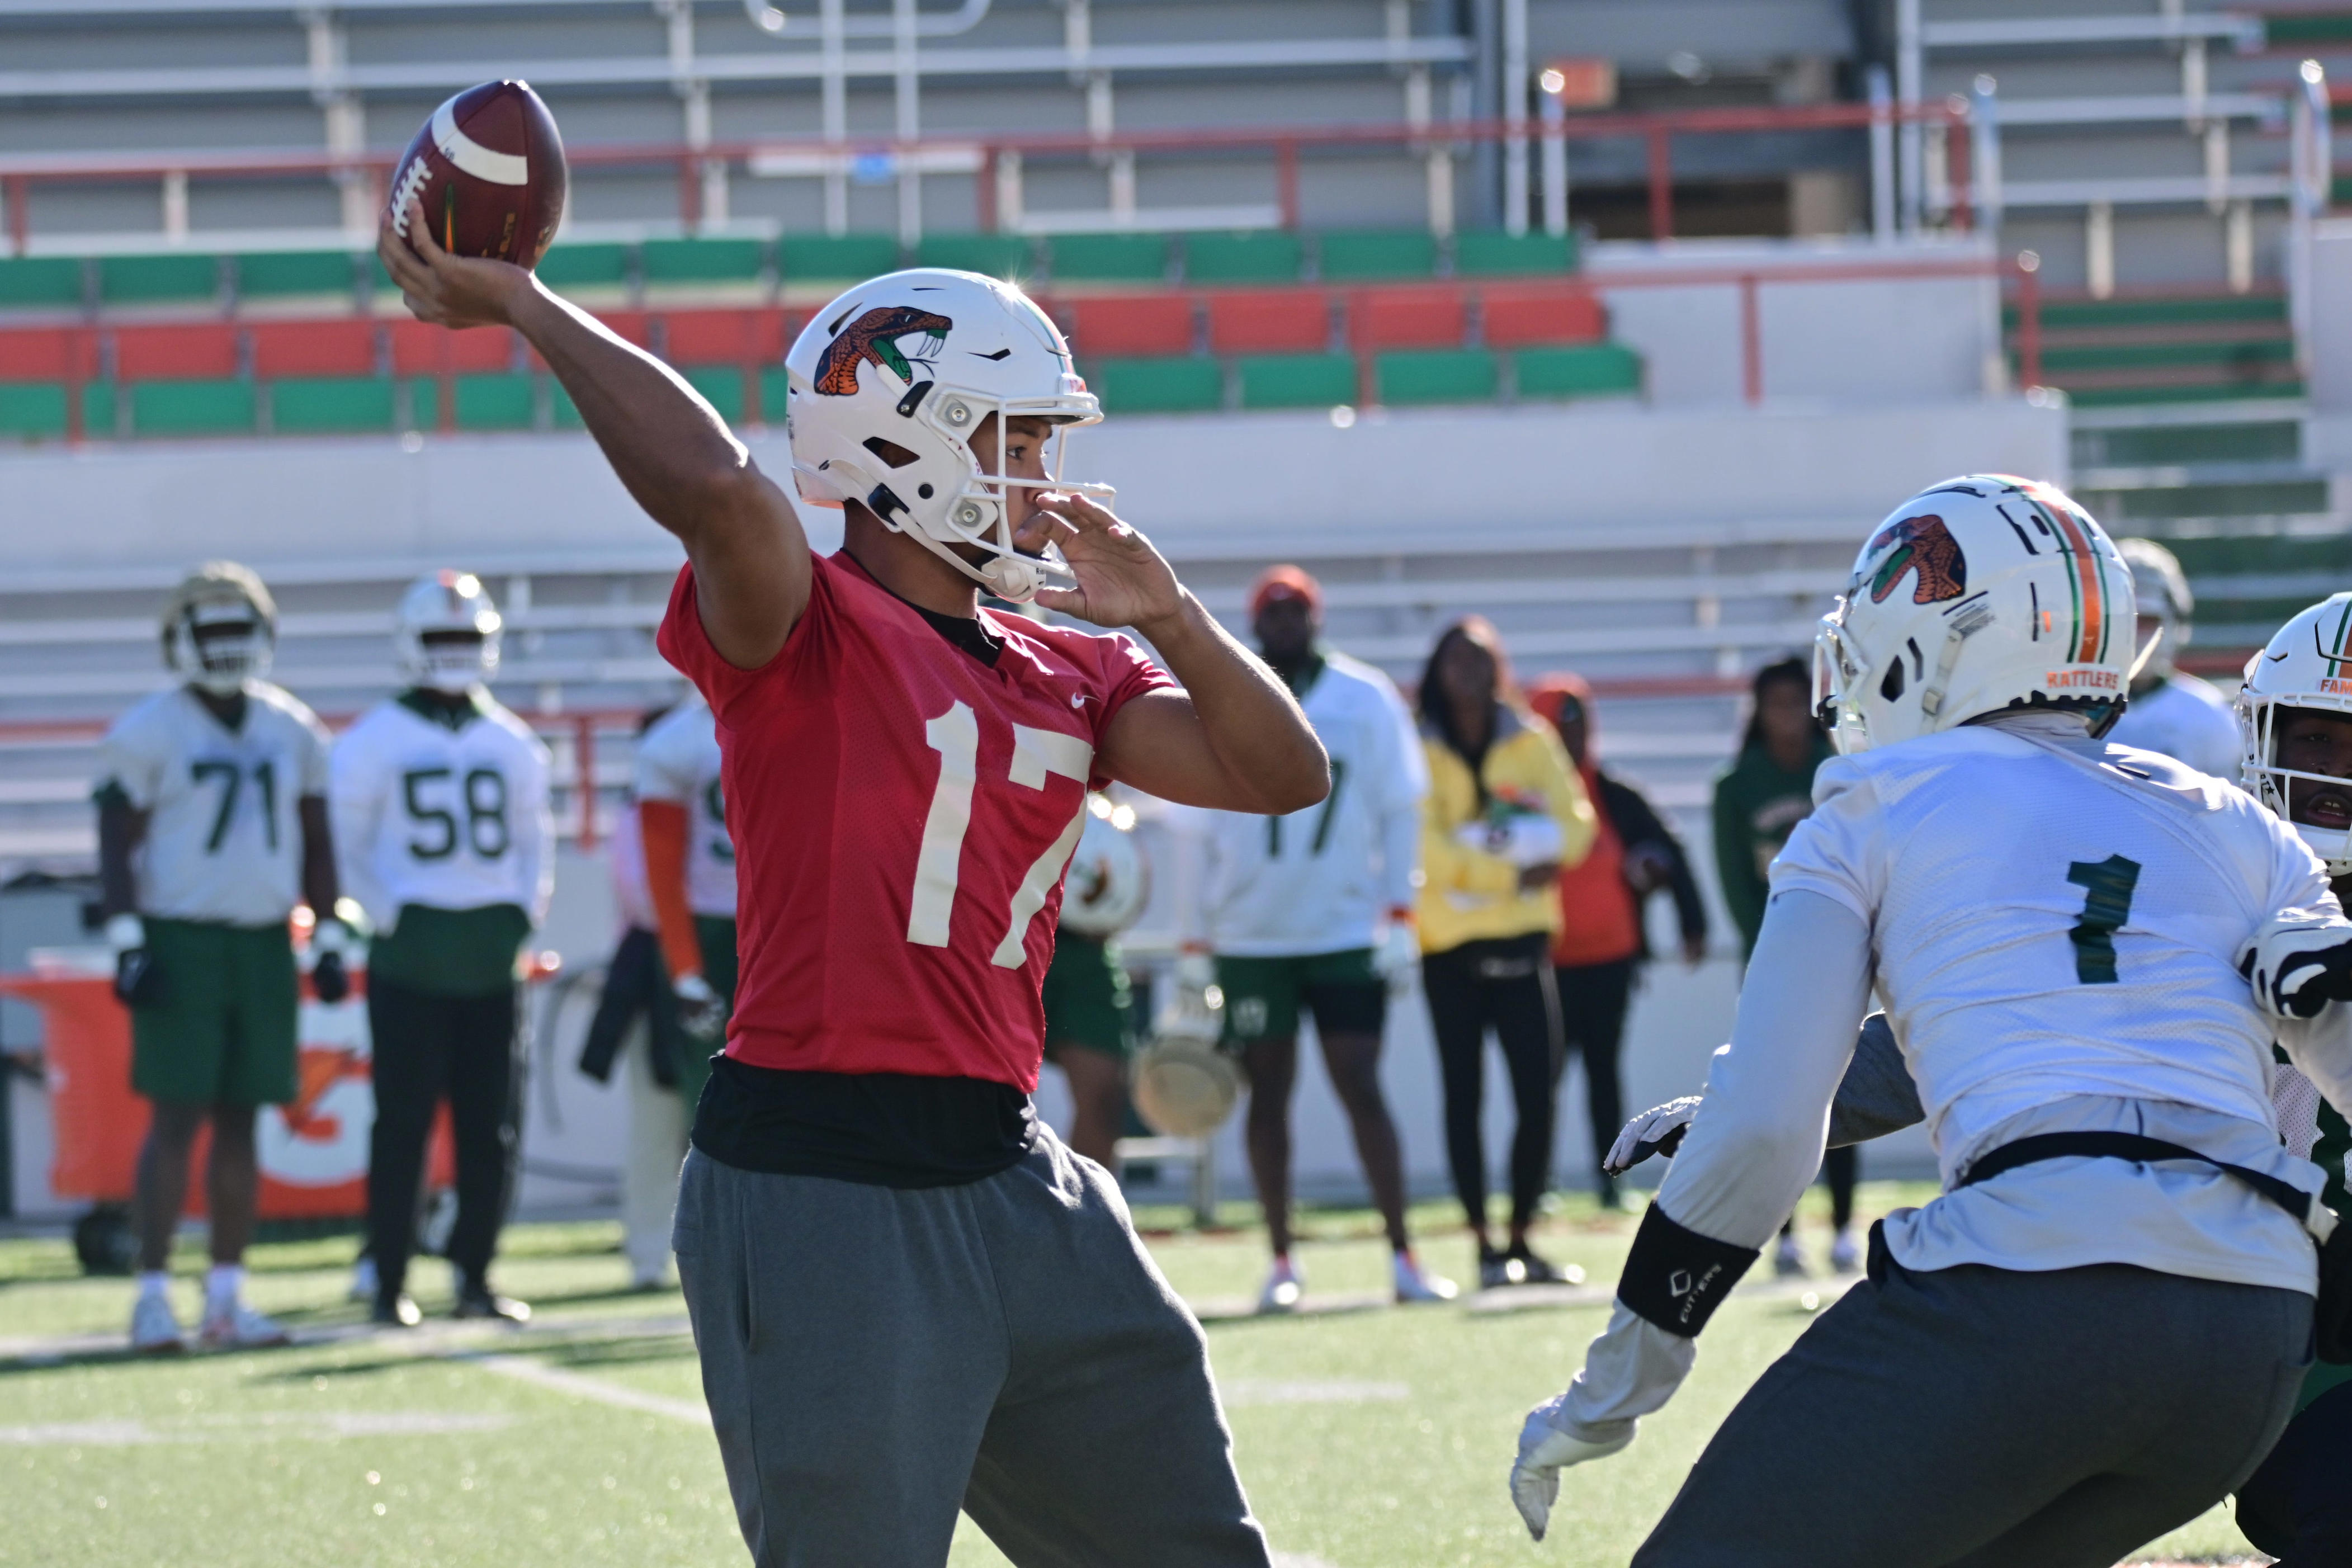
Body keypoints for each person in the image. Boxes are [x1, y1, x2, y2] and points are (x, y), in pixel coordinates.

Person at [380, 201, 1329, 1565]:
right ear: (903, 438)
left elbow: (1278, 773)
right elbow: (717, 490)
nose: (1042, 473)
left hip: (1012, 1171)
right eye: (1012, 438)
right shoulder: (804, 621)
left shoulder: (1078, 661)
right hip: (820, 1175)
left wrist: (1171, 615)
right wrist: (527, 303)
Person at [1509, 475, 2352, 1566]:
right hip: (2252, 1338)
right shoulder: (2238, 825)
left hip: (2039, 1287)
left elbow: (1766, 1128)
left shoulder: (1872, 803)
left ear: (1929, 640)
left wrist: (1615, 1382)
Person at [1178, 565, 1452, 1312]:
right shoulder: (1225, 693)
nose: (1285, 625)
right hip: (1250, 935)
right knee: (1268, 1095)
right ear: (1255, 621)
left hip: (1340, 930)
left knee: (1360, 1083)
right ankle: (1279, 1258)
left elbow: (1402, 807)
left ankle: (1401, 1254)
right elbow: (1193, 832)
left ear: (1316, 618)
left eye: (1296, 612)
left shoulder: (1363, 698)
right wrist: (1193, 938)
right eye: (1273, 614)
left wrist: (1400, 916)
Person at [95, 561, 347, 1353]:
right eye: (213, 629)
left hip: (267, 938)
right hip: (183, 938)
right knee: (175, 1121)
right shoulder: (146, 732)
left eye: (241, 628)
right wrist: (128, 939)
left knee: (244, 1121)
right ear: (180, 639)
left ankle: (228, 1295)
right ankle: (151, 1294)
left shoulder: (293, 727)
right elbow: (114, 846)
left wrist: (331, 932)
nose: (229, 645)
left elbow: (316, 840)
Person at [332, 570, 552, 1328]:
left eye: (466, 638)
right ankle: (389, 1274)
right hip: (412, 949)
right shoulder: (373, 738)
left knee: (489, 1130)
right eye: (441, 638)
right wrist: (385, 914)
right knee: (402, 1126)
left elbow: (534, 844)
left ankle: (474, 1275)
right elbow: (347, 845)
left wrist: (522, 915)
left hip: (490, 952)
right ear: (411, 646)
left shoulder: (513, 741)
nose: (455, 652)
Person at [1416, 617, 1597, 1290]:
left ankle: (1523, 1237)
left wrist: (1478, 852)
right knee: (1464, 1096)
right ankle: (1484, 1247)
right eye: (1454, 659)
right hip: (1450, 949)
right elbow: (1424, 849)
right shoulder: (1420, 744)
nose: (1467, 670)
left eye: (1481, 658)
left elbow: (1576, 829)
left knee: (1538, 1095)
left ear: (1501, 668)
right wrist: (1513, 860)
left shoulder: (1531, 737)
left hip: (1524, 944)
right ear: (1436, 670)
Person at [1526, 673, 1707, 1211]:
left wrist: (1690, 923)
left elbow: (1667, 851)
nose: (1572, 738)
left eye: (1580, 725)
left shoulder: (1616, 794)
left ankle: (1611, 1179)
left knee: (1603, 1073)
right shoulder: (1522, 797)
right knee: (1542, 1077)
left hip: (1610, 960)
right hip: (1545, 964)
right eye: (1561, 726)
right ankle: (1536, 1186)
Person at [1711, 655, 1855, 1274]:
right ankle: (1787, 1232)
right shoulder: (1735, 787)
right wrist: (1774, 949)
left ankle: (1846, 1225)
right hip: (1772, 962)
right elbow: (1735, 886)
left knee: (1846, 1090)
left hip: (1843, 958)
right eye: (1777, 703)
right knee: (1777, 1101)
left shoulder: (1840, 774)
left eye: (1799, 701)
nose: (1788, 715)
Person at [573, 703, 691, 1292]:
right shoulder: (636, 817)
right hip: (660, 969)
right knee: (657, 1115)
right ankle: (648, 1249)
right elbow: (647, 898)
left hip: (702, 957)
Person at [636, 689, 737, 1112]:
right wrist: (685, 969)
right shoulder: (674, 742)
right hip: (710, 928)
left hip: (785, 924)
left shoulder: (804, 716)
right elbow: (662, 870)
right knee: (708, 1096)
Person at [1040, 792, 1144, 1170]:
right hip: (1003, 932)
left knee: (1105, 1099)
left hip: (1085, 946)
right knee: (983, 1101)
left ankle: (1090, 1223)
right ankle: (992, 1226)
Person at [2107, 537, 2238, 776]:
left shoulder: (2210, 716)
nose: (2136, 634)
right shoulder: (2073, 713)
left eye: (2147, 621)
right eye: (2127, 620)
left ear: (2175, 623)